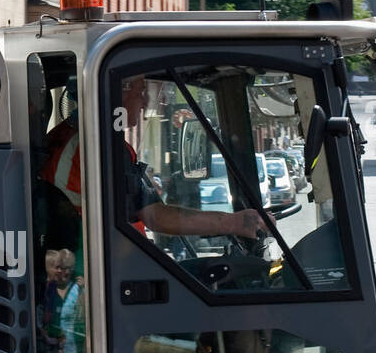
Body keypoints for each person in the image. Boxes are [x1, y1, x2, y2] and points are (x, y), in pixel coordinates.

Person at [40, 74, 262, 242]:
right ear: (119, 92)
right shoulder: (97, 144)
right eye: (141, 92)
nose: (145, 103)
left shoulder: (68, 135)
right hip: (108, 268)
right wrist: (236, 222)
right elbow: (156, 217)